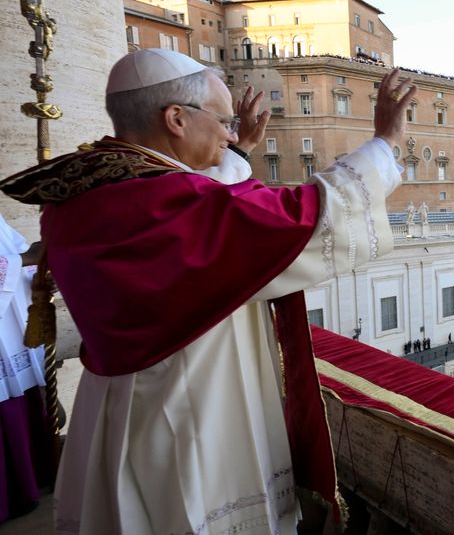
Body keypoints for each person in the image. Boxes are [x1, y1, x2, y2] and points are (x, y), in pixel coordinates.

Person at [0, 48, 416, 534]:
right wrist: (384, 143)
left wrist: (234, 154)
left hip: (120, 403)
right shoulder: (163, 203)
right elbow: (297, 215)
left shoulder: (93, 187)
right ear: (176, 118)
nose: (231, 131)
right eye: (222, 121)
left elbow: (209, 202)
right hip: (185, 407)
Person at [0, 214, 49, 524]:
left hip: (11, 328)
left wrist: (37, 273)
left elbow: (16, 249)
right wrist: (26, 258)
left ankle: (29, 484)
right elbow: (21, 254)